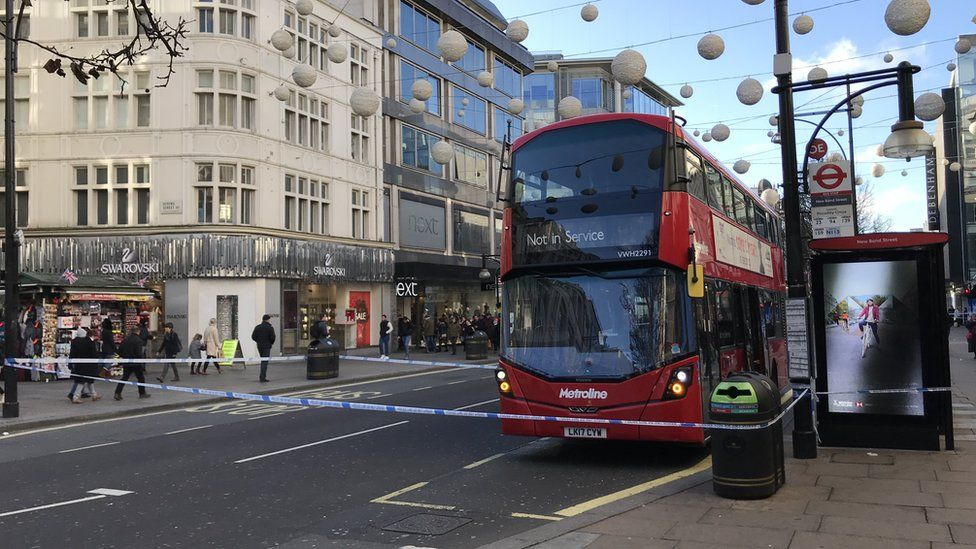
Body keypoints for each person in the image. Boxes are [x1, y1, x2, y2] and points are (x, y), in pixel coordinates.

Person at [114, 327, 150, 400]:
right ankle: (142, 393)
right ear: (138, 332)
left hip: (126, 362)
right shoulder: (139, 341)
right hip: (136, 363)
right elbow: (138, 353)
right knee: (140, 378)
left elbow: (119, 351)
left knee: (124, 378)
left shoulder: (125, 340)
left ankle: (117, 393)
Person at [68, 328, 100, 403]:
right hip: (88, 365)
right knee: (82, 381)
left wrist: (71, 363)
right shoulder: (89, 342)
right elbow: (94, 354)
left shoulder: (75, 342)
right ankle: (75, 397)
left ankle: (94, 394)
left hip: (79, 365)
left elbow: (73, 353)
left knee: (88, 380)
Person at [251, 314, 276, 382]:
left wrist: (258, 341)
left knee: (263, 360)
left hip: (259, 346)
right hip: (267, 347)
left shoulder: (258, 327)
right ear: (268, 319)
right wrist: (270, 343)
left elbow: (253, 337)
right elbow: (273, 338)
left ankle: (262, 376)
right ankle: (262, 377)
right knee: (264, 362)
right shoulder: (270, 328)